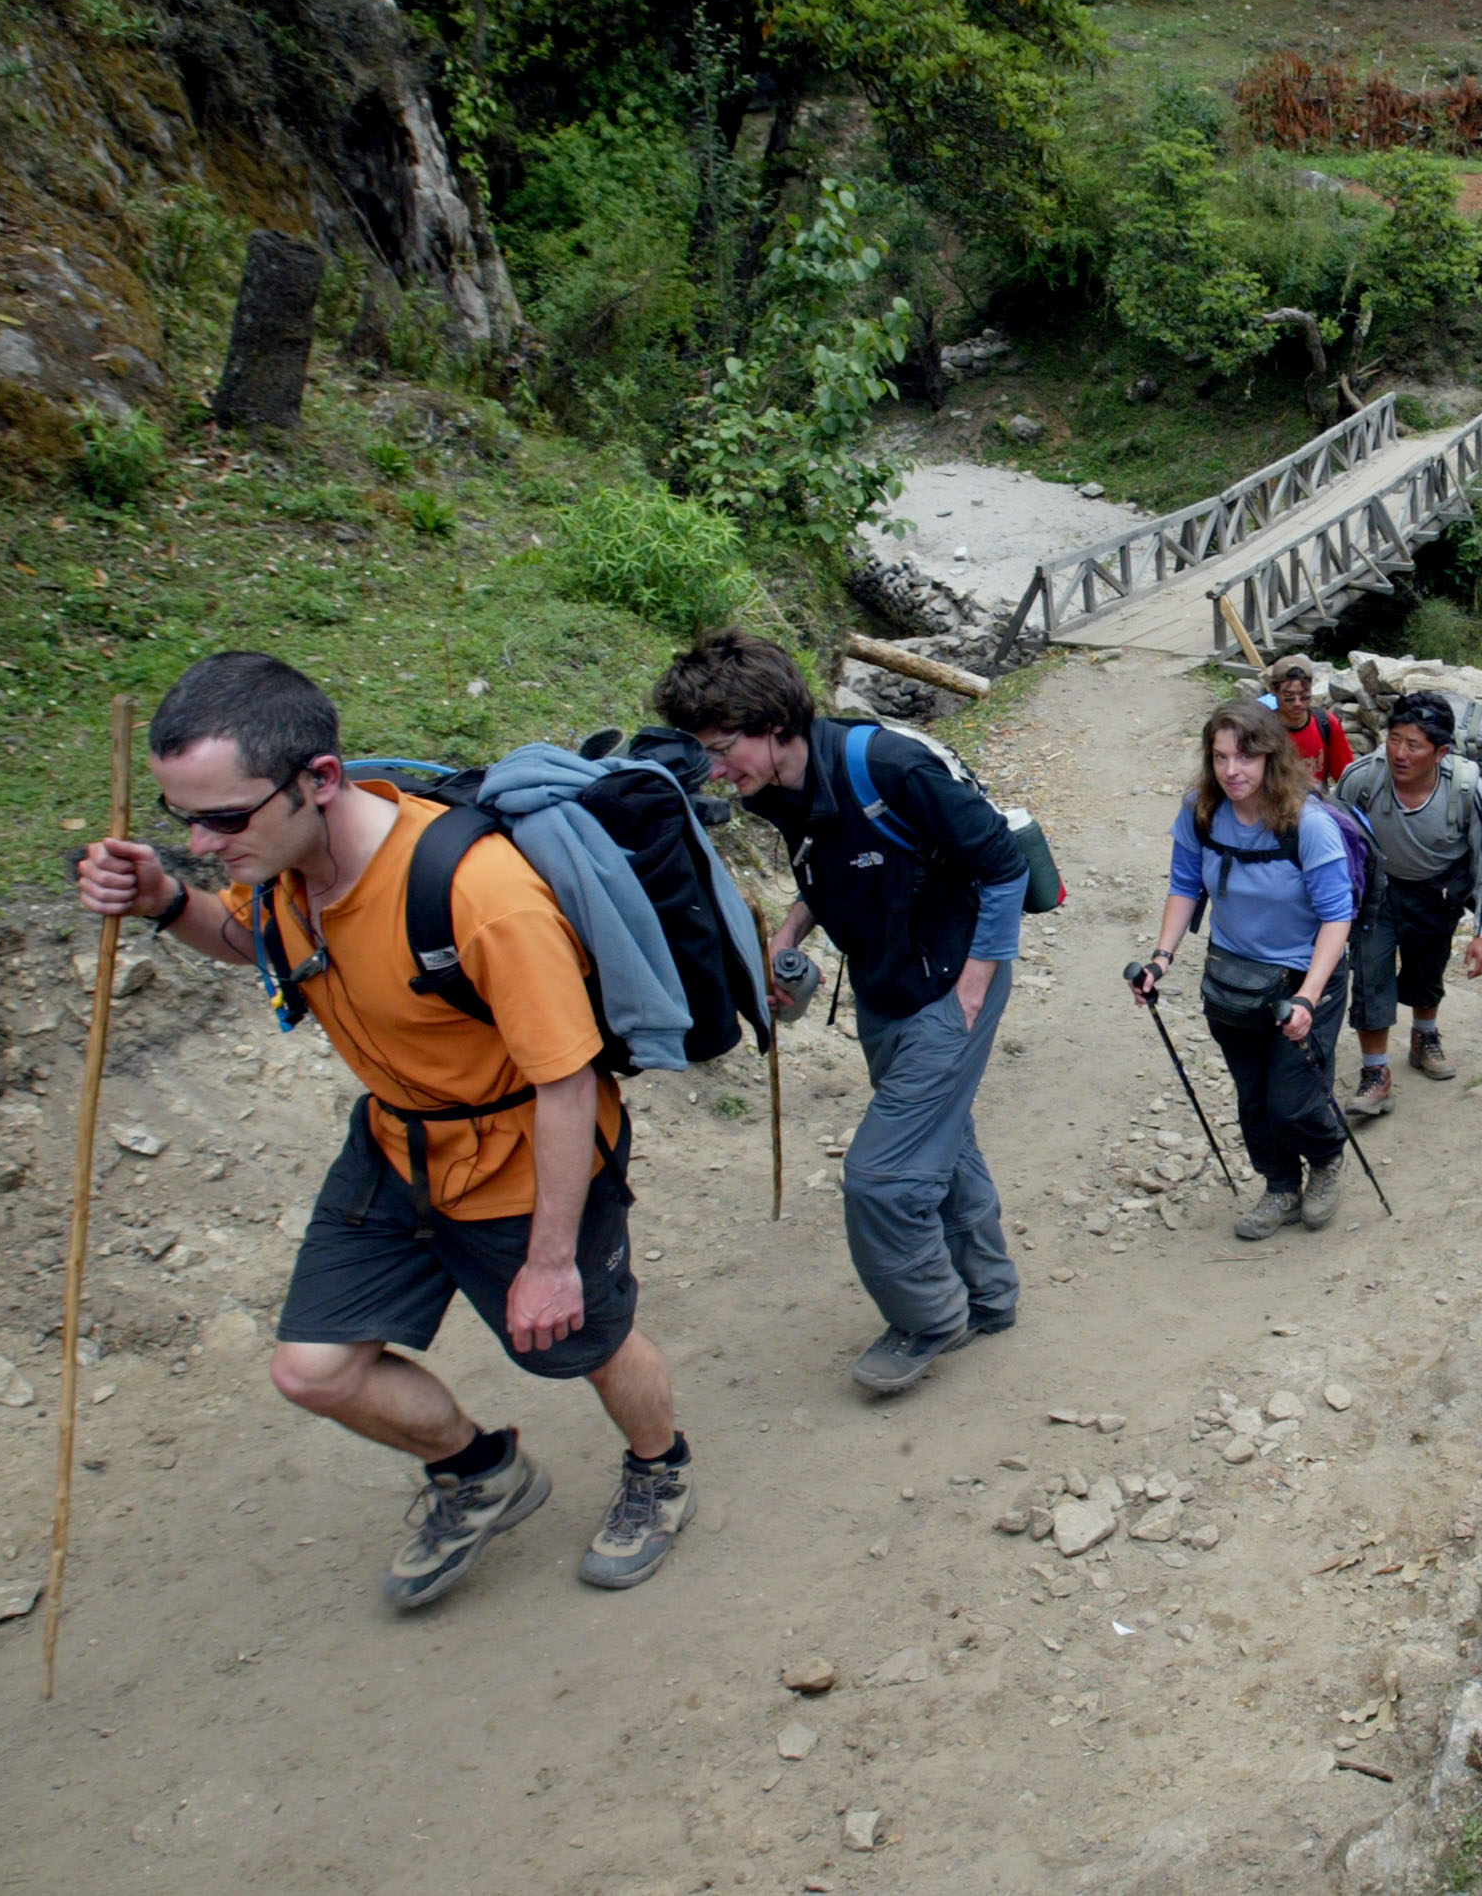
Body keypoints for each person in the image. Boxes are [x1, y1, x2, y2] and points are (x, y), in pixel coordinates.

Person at [73, 653, 691, 1609]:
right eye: (181, 819)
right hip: (395, 1144)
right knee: (313, 1369)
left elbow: (566, 1082)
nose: (200, 843)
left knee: (584, 1341)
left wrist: (554, 1260)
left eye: (223, 818)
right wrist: (163, 902)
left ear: (320, 781)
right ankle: (481, 1471)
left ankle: (661, 1468)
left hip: (524, 1154)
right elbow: (254, 945)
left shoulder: (479, 895)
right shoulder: (281, 866)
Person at [652, 631, 1028, 1397]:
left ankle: (930, 1317)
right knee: (943, 1147)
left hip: (952, 986)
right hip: (885, 990)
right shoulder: (780, 794)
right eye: (707, 751)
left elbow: (1003, 864)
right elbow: (824, 873)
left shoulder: (889, 768)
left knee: (881, 1178)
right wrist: (788, 936)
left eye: (726, 746)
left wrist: (975, 987)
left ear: (776, 724)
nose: (718, 768)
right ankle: (991, 1297)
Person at [1131, 699, 1356, 1239]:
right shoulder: (1200, 812)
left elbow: (1337, 914)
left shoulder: (1309, 823)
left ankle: (1325, 1160)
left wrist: (1308, 997)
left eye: (1246, 757)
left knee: (1294, 1102)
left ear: (1270, 757)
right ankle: (1280, 1185)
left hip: (1306, 980)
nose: (1232, 771)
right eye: (1220, 757)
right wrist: (1161, 959)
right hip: (1233, 980)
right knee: (1253, 1098)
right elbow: (1185, 884)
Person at [1336, 690, 1482, 1117]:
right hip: (1376, 888)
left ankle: (1424, 1036)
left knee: (1427, 968)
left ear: (1441, 753)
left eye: (1413, 745)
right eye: (1394, 739)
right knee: (1371, 973)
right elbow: (1332, 838)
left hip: (1436, 892)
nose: (1399, 753)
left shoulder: (1466, 789)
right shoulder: (1362, 777)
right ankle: (1376, 1073)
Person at [1257, 655, 1353, 783]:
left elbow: (1345, 777)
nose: (1297, 703)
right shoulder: (1263, 728)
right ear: (1274, 690)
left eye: (1304, 695)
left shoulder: (1326, 723)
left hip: (1315, 798)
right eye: (1289, 695)